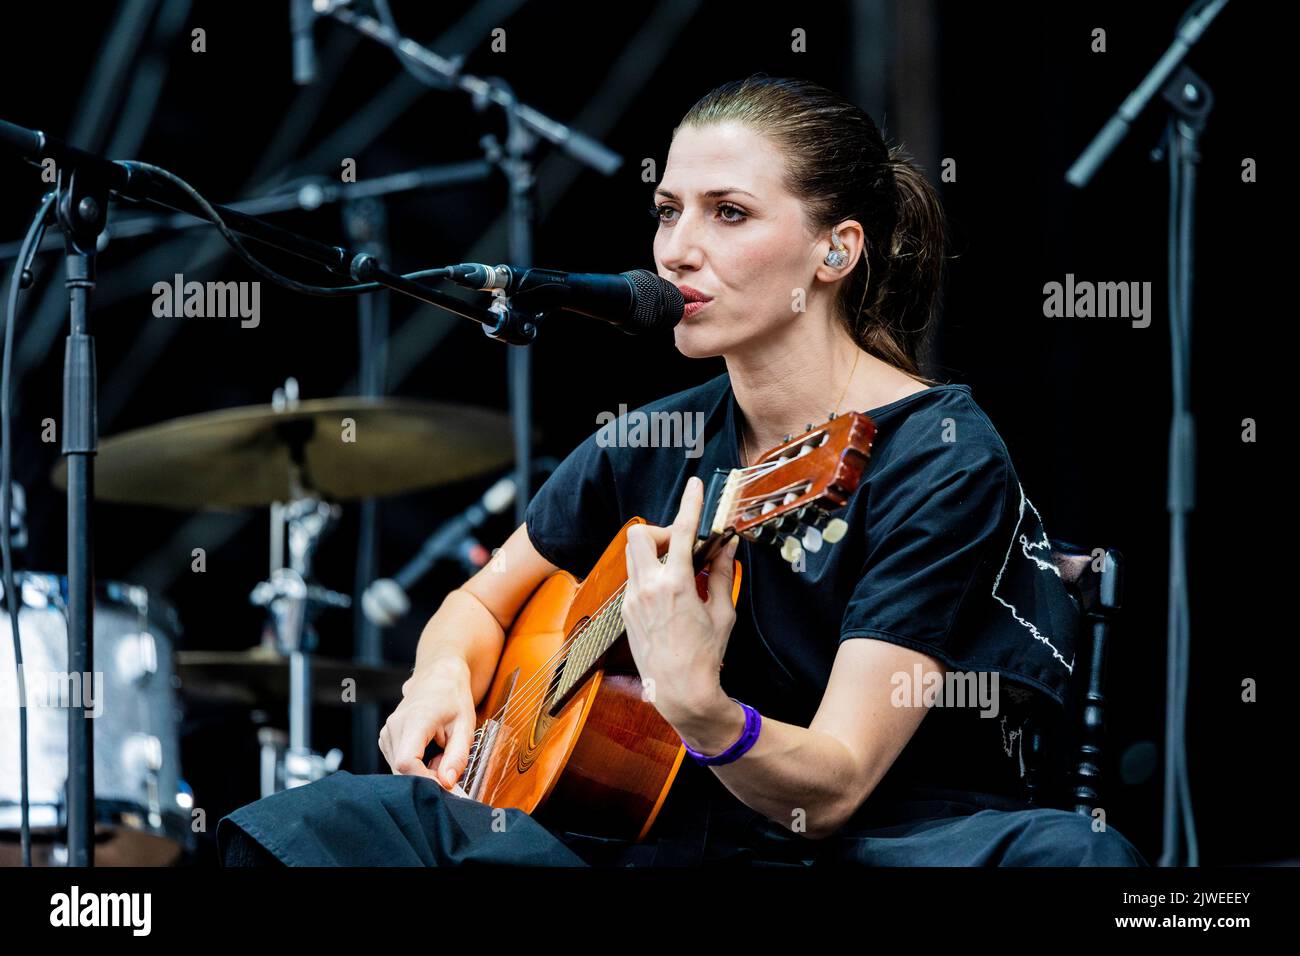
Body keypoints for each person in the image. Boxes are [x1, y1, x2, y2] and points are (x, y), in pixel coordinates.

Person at [219, 74, 1146, 867]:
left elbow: (835, 785)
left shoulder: (937, 456)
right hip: (662, 832)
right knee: (331, 823)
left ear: (837, 249)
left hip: (879, 840)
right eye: (668, 211)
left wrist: (700, 707)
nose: (674, 251)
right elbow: (479, 604)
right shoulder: (646, 440)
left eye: (728, 213)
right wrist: (438, 680)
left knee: (1072, 861)